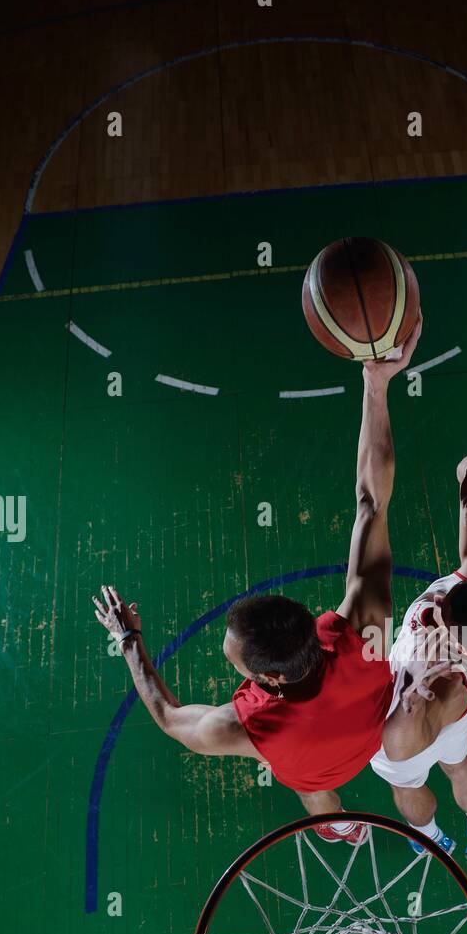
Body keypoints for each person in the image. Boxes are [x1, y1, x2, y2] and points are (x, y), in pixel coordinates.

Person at [92, 317, 423, 846]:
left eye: (237, 660)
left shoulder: (247, 727)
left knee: (309, 786)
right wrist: (376, 385)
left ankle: (336, 823)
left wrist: (128, 640)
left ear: (270, 681)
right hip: (374, 728)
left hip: (324, 770)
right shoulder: (365, 628)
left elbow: (170, 716)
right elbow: (372, 501)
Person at [369, 453, 467, 864]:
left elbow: (399, 748)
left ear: (464, 649)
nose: (438, 599)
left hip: (420, 725)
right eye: (452, 594)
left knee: (408, 785)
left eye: (444, 611)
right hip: (452, 727)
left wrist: (408, 704)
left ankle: (429, 837)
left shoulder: (449, 688)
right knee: (458, 763)